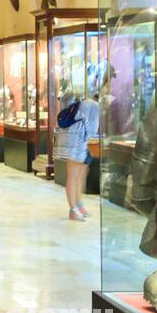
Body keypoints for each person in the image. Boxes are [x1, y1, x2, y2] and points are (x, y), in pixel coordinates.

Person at [54, 93, 99, 222]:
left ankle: (78, 206)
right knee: (74, 177)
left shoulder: (86, 103)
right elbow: (92, 129)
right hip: (75, 143)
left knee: (77, 175)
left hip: (73, 141)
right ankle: (73, 210)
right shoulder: (95, 107)